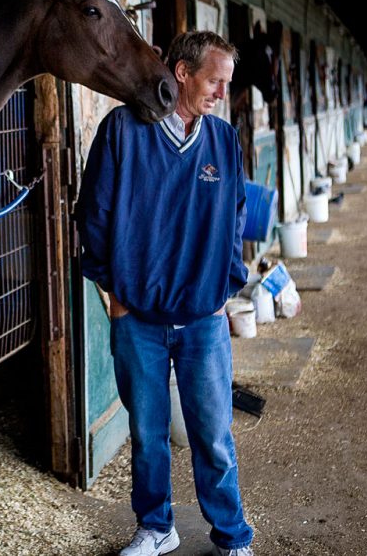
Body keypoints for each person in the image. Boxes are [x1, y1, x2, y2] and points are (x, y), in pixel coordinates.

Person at [76, 31, 254, 556]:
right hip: (139, 319)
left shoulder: (223, 141)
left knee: (213, 438)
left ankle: (232, 536)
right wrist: (114, 290)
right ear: (181, 72)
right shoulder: (123, 131)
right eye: (215, 80)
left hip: (203, 317)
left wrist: (225, 288)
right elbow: (94, 215)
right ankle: (156, 527)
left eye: (226, 82)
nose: (222, 92)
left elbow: (237, 216)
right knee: (148, 435)